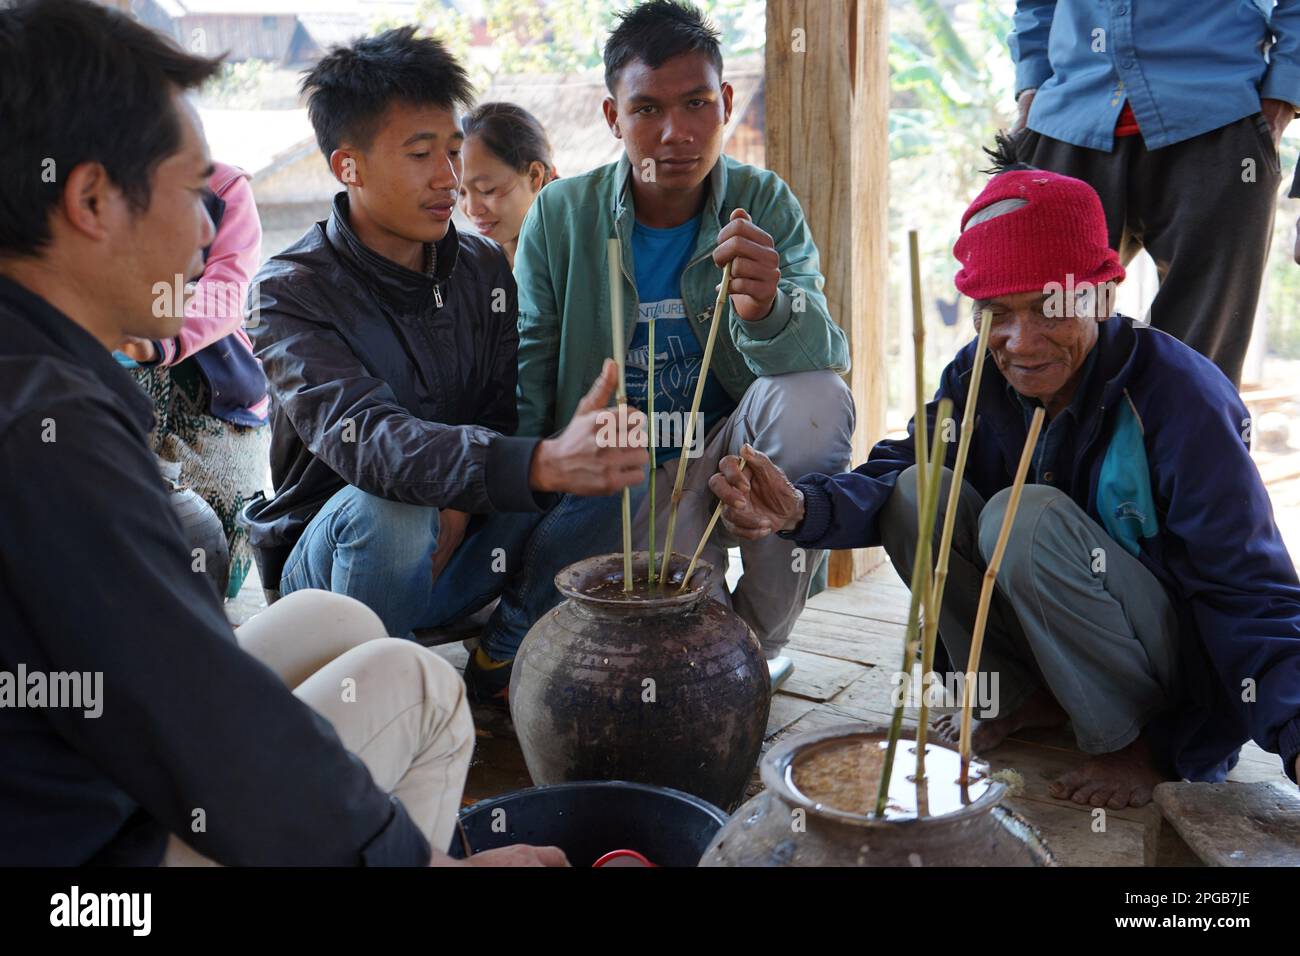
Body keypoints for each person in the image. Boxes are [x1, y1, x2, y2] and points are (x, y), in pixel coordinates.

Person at [0, 0, 563, 867]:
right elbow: (200, 728)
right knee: (414, 686)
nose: (209, 233)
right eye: (195, 193)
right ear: (90, 199)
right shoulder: (52, 423)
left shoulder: (46, 370)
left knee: (333, 621)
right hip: (94, 874)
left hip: (81, 771)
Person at [708, 154, 1300, 808]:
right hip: (1063, 642)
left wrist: (1288, 736)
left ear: (1101, 294)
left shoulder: (1180, 396)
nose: (1022, 341)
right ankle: (1020, 696)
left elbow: (1250, 591)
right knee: (917, 492)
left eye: (1050, 307)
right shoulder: (979, 376)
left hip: (1171, 679)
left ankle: (1131, 740)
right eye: (998, 312)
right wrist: (799, 508)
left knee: (1026, 518)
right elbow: (895, 473)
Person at [480, 0, 856, 701]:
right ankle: (715, 650)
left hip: (727, 456)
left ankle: (758, 641)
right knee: (667, 656)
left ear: (728, 103)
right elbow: (528, 368)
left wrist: (768, 308)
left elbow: (822, 353)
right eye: (647, 109)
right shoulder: (562, 216)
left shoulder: (761, 201)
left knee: (816, 399)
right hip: (618, 479)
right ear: (611, 117)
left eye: (697, 104)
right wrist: (524, 503)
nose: (676, 133)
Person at [244, 28, 648, 646]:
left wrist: (465, 505)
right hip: (333, 578)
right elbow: (370, 442)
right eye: (420, 153)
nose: (448, 178)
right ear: (347, 165)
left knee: (614, 470)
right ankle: (367, 686)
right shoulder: (289, 292)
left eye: (453, 152)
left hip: (457, 552)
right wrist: (530, 464)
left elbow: (501, 406)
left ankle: (507, 649)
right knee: (394, 510)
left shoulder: (481, 267)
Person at [1009, 0, 1300, 387]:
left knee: (1200, 357)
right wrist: (1030, 93)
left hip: (1219, 126)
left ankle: (1183, 448)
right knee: (1042, 336)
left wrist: (1281, 100)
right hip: (1067, 124)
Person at [118, 160, 270, 601]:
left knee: (206, 558)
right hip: (101, 388)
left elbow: (225, 293)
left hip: (218, 403)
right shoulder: (62, 182)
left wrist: (152, 339)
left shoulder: (222, 187)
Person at [460, 102, 557, 267]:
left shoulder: (576, 258)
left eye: (487, 190)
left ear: (534, 176)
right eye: (459, 193)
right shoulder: (463, 267)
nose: (472, 209)